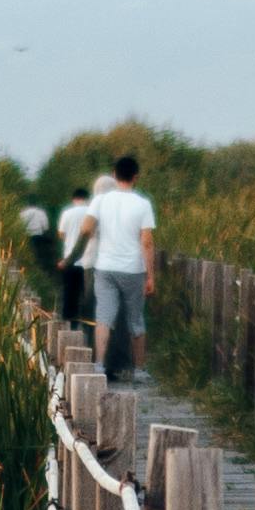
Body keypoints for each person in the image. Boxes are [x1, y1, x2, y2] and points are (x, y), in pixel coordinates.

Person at [69, 140, 157, 382]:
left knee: (104, 317)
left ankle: (98, 364)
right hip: (132, 269)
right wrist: (151, 276)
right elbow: (147, 242)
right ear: (135, 176)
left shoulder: (100, 201)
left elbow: (86, 229)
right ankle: (139, 370)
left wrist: (75, 255)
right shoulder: (143, 204)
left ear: (114, 175)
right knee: (135, 320)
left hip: (104, 268)